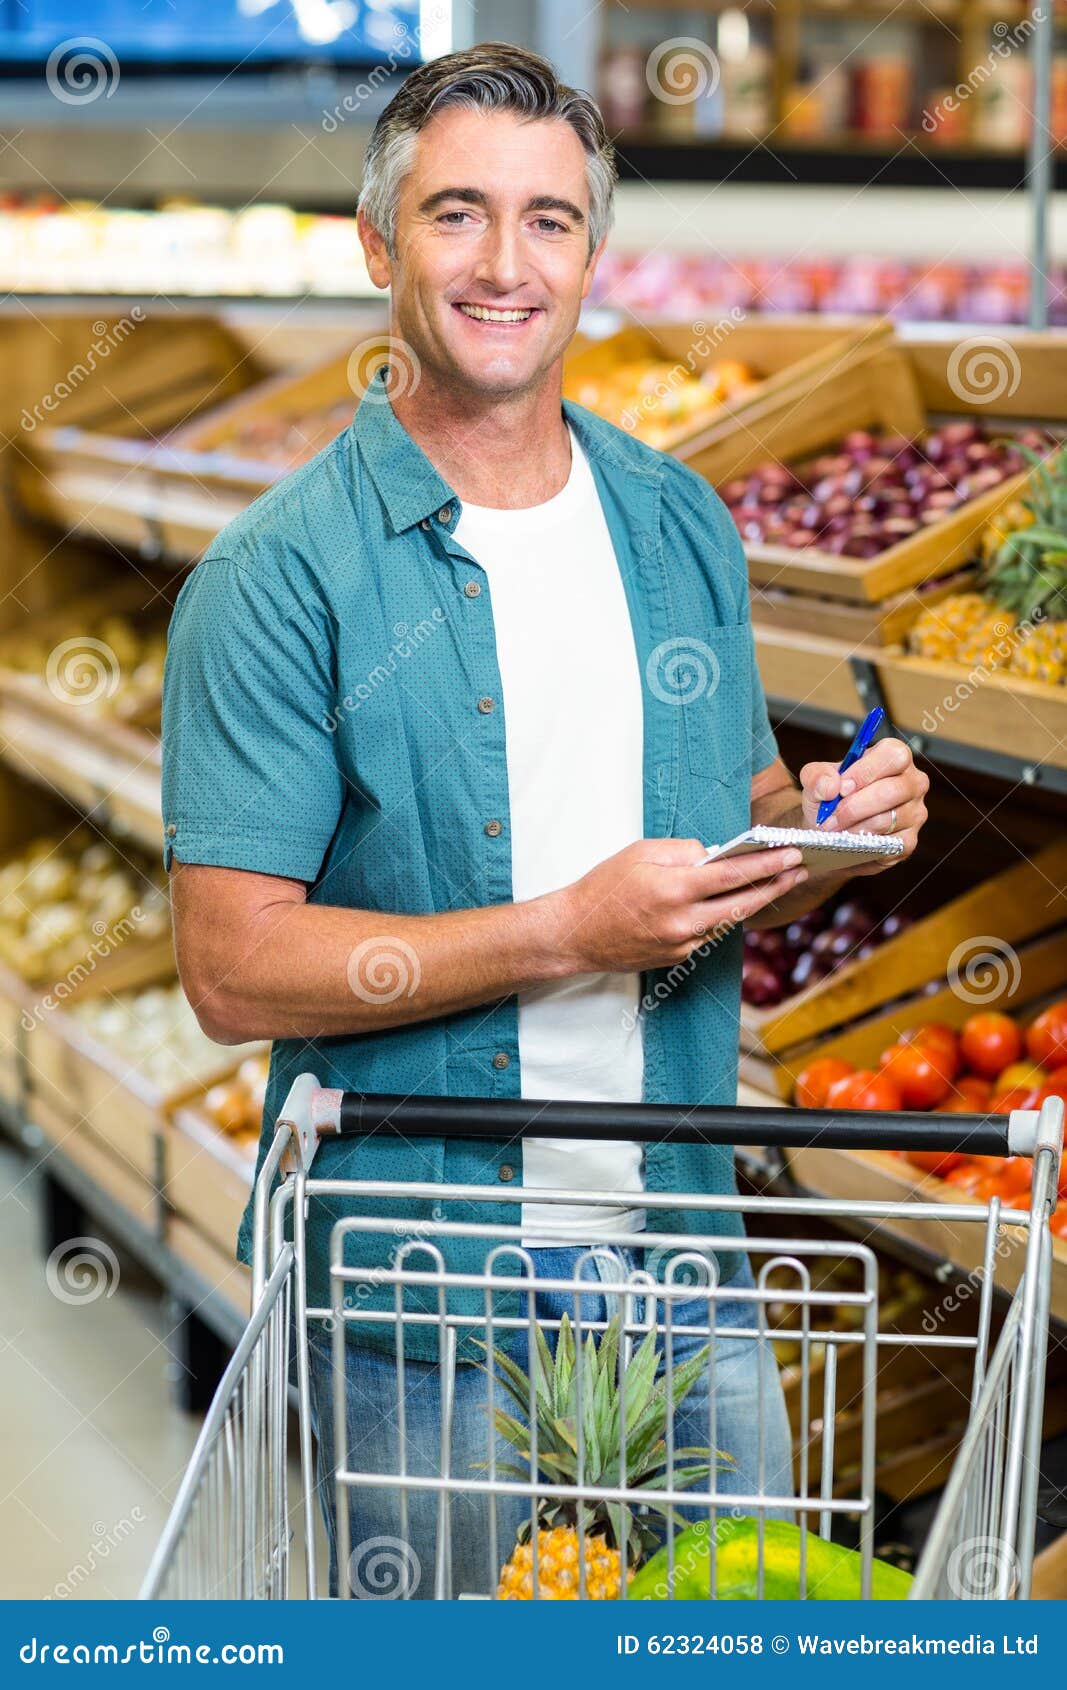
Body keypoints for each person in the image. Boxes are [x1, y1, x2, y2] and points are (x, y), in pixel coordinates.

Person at [161, 42, 929, 1598]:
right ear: (380, 249)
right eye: (457, 216)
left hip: (683, 1242)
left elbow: (720, 836)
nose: (507, 266)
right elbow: (234, 969)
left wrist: (826, 821)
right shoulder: (276, 578)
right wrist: (565, 932)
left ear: (593, 252)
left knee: (736, 1635)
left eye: (550, 222)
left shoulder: (676, 523)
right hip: (428, 1289)